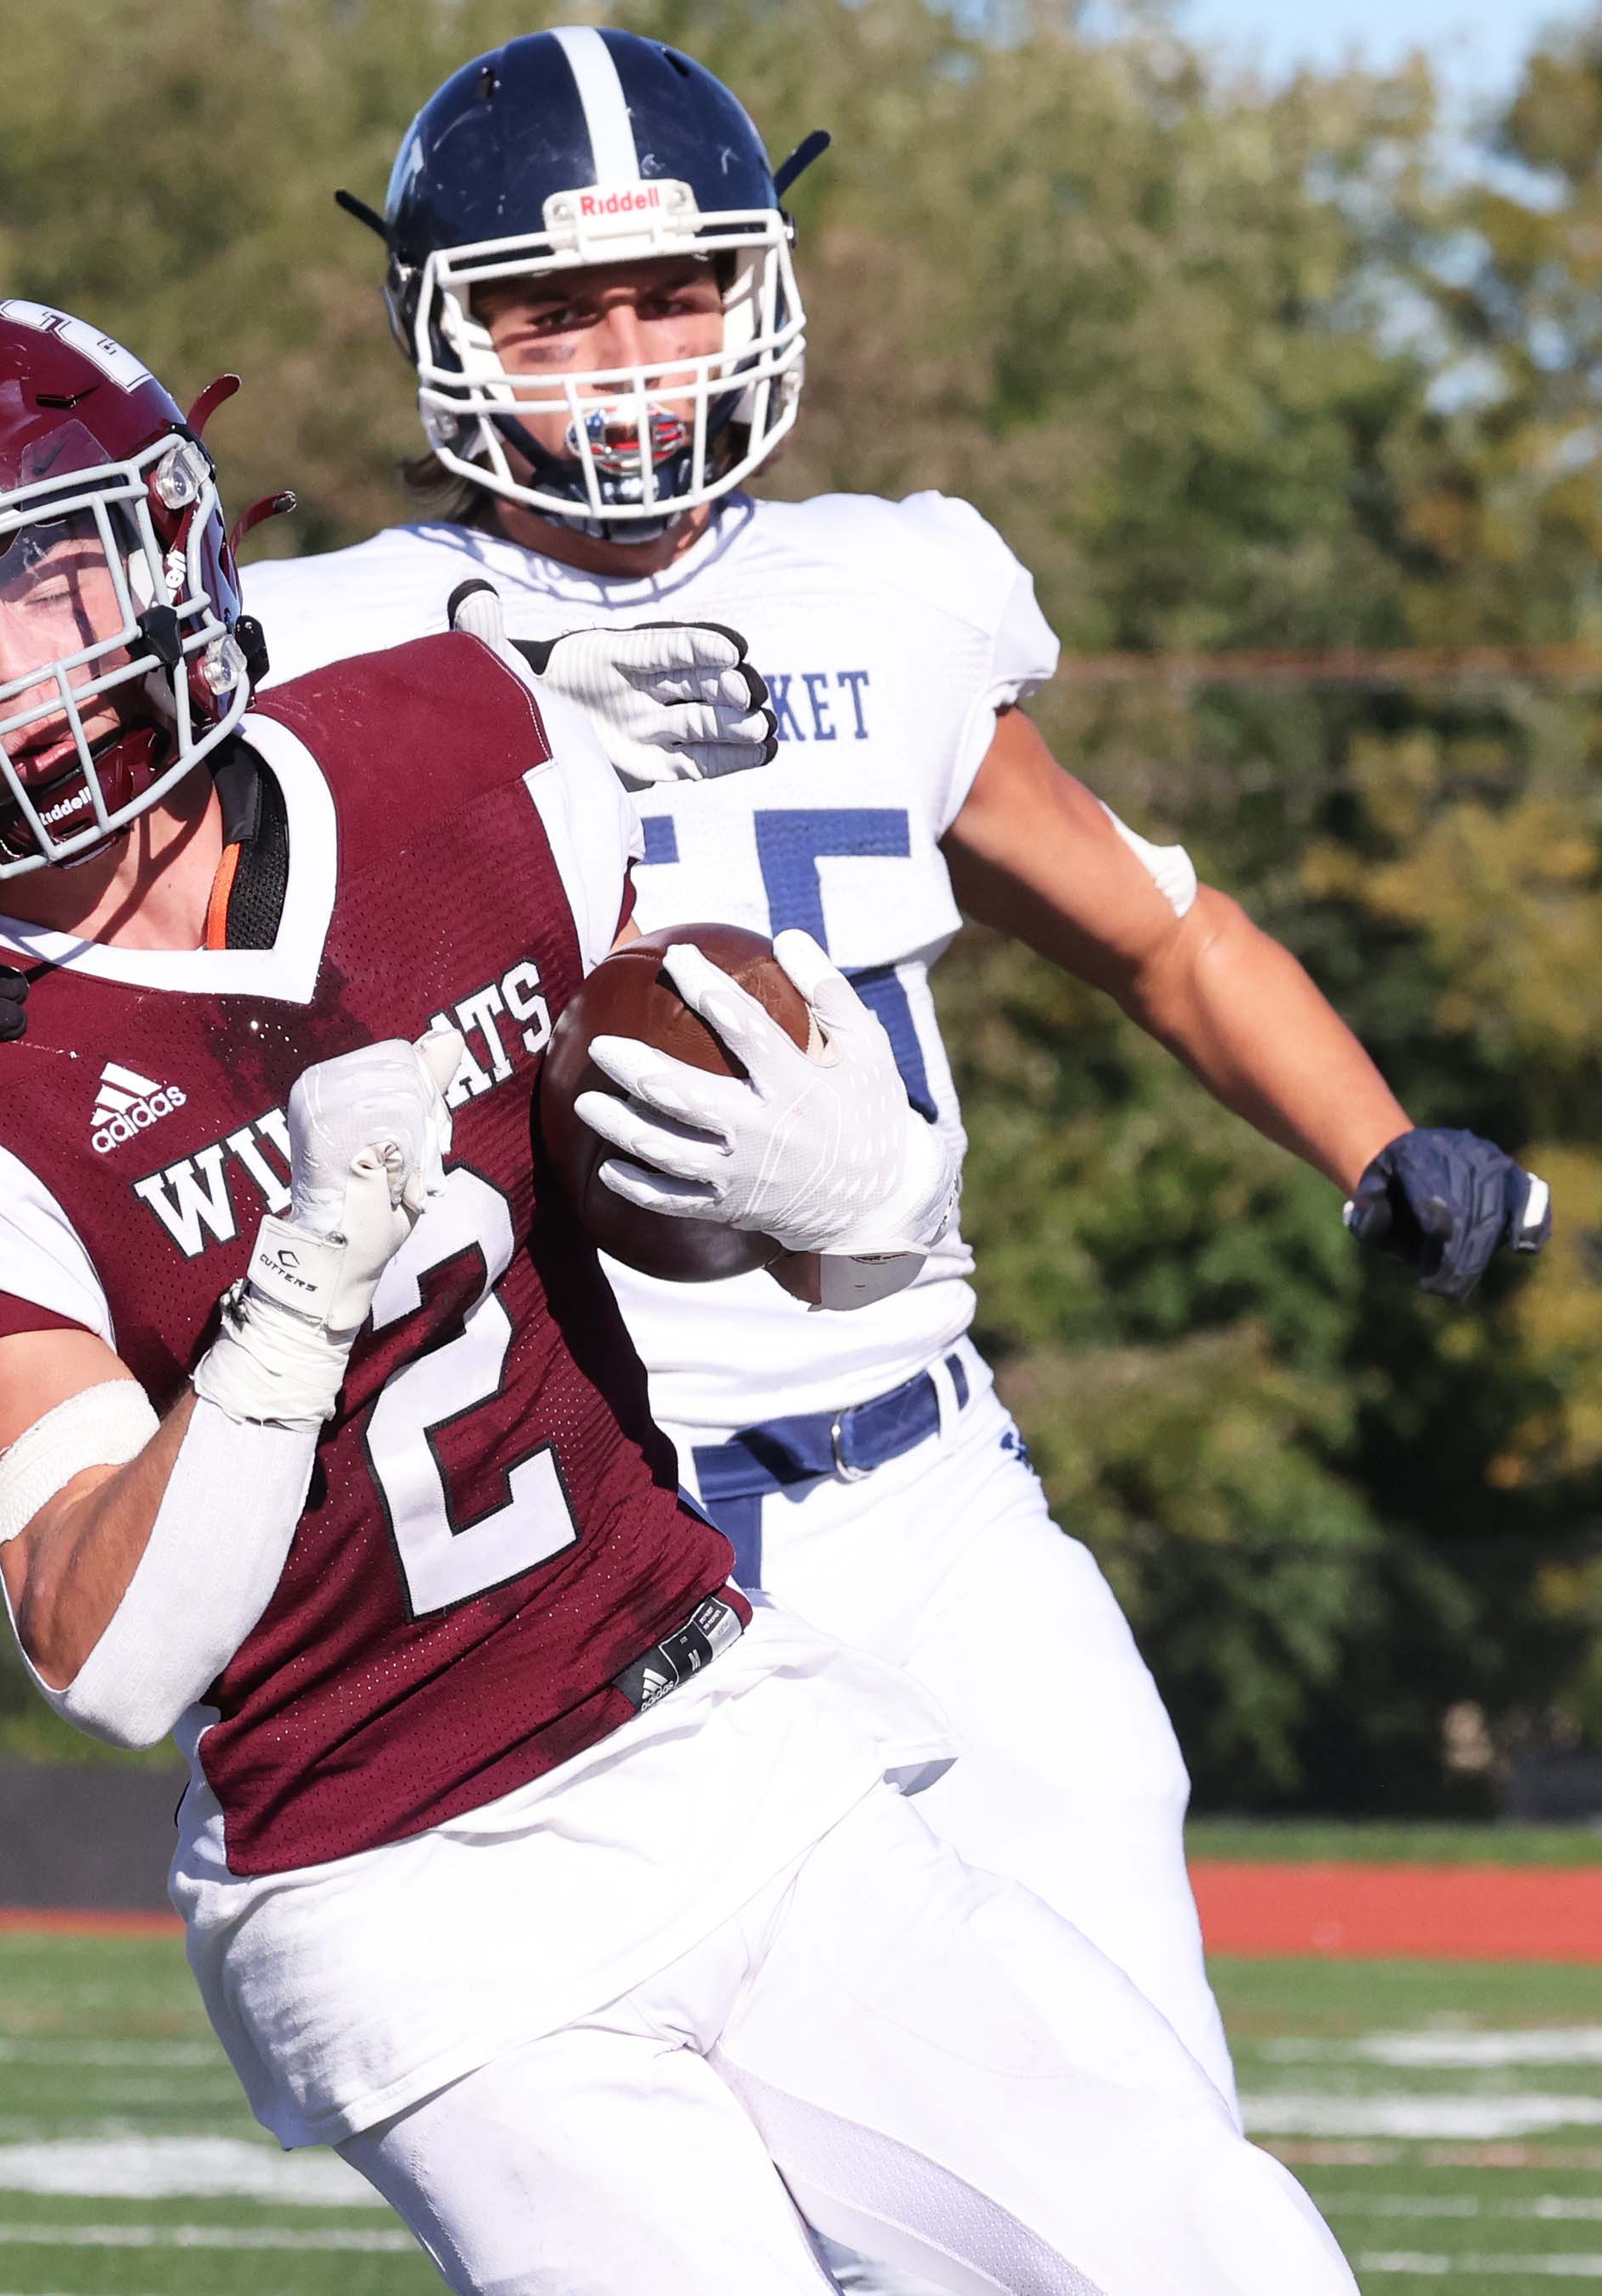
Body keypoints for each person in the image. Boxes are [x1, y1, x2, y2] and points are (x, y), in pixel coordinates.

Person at [0, 286, 1359, 2293]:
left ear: (157, 539)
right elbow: (115, 1649)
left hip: (719, 1732)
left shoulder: (458, 751)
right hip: (404, 1888)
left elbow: (740, 1130)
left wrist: (873, 1183)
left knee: (1221, 2253)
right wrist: (302, 1276)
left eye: (33, 575)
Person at [245, 19, 1549, 2145]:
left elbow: (1158, 925)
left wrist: (1376, 1134)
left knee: (1152, 2138)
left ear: (763, 292)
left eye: (677, 294)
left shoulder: (899, 588)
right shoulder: (314, 653)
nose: (635, 356)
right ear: (441, 332)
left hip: (927, 1473)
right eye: (557, 311)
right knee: (742, 2177)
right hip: (579, 1526)